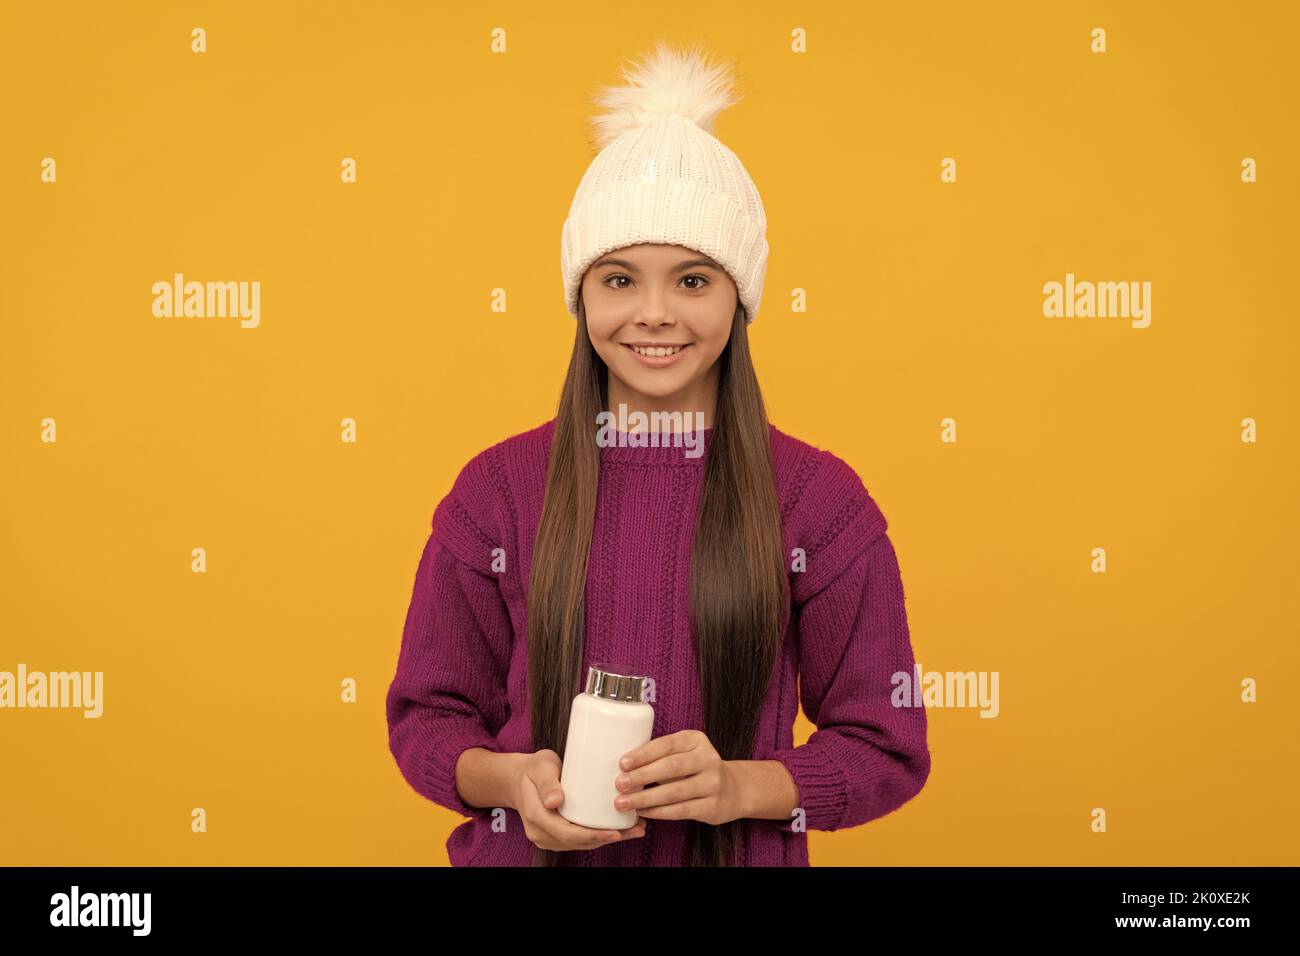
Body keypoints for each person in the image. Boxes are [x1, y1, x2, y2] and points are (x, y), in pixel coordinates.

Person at [385, 40, 930, 867]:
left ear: (739, 295)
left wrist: (741, 788)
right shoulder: (496, 491)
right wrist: (512, 782)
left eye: (692, 280)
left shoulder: (818, 501)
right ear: (581, 294)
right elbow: (428, 714)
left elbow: (885, 743)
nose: (653, 315)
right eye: (617, 279)